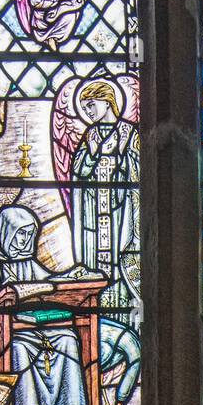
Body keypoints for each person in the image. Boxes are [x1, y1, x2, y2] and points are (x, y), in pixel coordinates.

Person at [0, 205, 87, 405]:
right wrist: (10, 291)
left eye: (28, 234)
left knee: (68, 339)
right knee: (19, 348)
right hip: (4, 331)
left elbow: (50, 282)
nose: (24, 240)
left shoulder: (27, 260)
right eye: (20, 233)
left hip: (33, 326)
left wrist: (71, 276)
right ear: (6, 231)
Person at [71, 80, 140, 325]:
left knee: (120, 274)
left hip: (121, 219)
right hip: (94, 221)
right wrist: (90, 155)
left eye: (91, 105)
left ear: (107, 101)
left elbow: (138, 175)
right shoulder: (89, 135)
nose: (88, 112)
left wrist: (124, 155)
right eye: (85, 107)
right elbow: (78, 174)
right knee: (97, 274)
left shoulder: (130, 134)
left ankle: (125, 327)